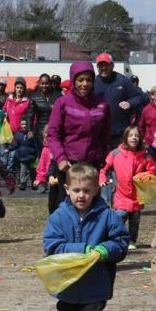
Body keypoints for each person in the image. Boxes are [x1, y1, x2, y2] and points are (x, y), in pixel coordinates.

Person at [43, 163, 129, 311]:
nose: (82, 195)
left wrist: (104, 250)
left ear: (96, 190)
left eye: (87, 191)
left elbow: (121, 242)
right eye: (77, 190)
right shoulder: (58, 217)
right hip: (68, 284)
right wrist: (82, 250)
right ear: (67, 190)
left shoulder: (107, 216)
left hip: (95, 284)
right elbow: (52, 246)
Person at [46, 62, 111, 214]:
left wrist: (103, 157)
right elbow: (53, 134)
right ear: (73, 80)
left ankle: (90, 236)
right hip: (68, 164)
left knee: (91, 203)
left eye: (88, 80)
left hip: (92, 163)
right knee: (68, 204)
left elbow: (105, 134)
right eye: (80, 79)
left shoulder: (102, 105)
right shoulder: (62, 103)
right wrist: (60, 158)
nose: (85, 84)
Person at [101, 125, 156, 250]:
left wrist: (146, 176)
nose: (134, 138)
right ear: (125, 138)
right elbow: (103, 169)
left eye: (137, 135)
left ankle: (132, 240)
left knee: (135, 221)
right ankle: (117, 239)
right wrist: (102, 179)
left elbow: (152, 171)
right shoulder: (115, 154)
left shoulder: (145, 156)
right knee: (119, 216)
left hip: (137, 196)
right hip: (120, 194)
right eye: (131, 135)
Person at [94, 53, 146, 149]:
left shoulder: (123, 81)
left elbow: (139, 97)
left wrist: (130, 103)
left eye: (106, 65)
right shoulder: (94, 82)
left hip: (120, 133)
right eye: (101, 65)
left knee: (120, 161)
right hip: (99, 133)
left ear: (112, 65)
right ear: (97, 67)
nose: (103, 68)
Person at [27, 73, 60, 192]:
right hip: (40, 132)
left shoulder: (57, 95)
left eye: (46, 83)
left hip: (56, 130)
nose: (44, 85)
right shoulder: (34, 97)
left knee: (55, 156)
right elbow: (30, 115)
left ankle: (53, 180)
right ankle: (42, 182)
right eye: (42, 83)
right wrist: (29, 130)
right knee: (42, 157)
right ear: (39, 84)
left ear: (50, 83)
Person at [9, 118, 37, 190]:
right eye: (22, 124)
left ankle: (34, 183)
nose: (24, 126)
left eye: (25, 124)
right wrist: (9, 148)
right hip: (22, 156)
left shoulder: (32, 133)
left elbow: (36, 144)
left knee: (33, 171)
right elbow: (14, 143)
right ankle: (23, 183)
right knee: (22, 170)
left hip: (31, 156)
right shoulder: (18, 134)